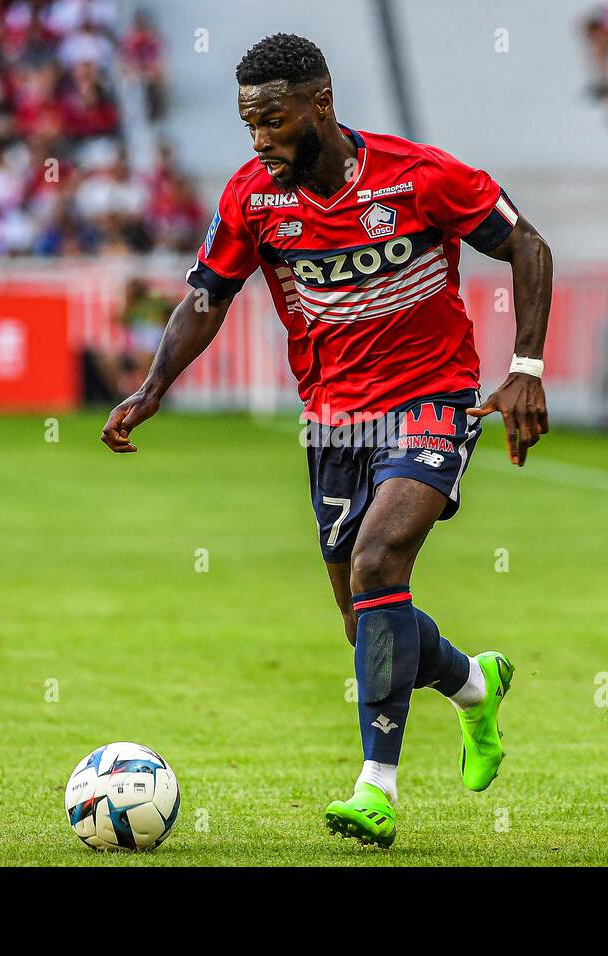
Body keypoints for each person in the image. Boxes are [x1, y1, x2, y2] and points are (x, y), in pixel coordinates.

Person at [100, 34, 553, 847]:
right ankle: (473, 686)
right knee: (367, 623)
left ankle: (376, 788)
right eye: (249, 126)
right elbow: (207, 297)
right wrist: (152, 386)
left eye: (273, 120)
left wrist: (525, 366)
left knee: (382, 561)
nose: (261, 140)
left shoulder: (422, 176)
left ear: (323, 104)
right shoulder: (251, 198)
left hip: (432, 399)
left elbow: (527, 244)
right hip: (333, 421)